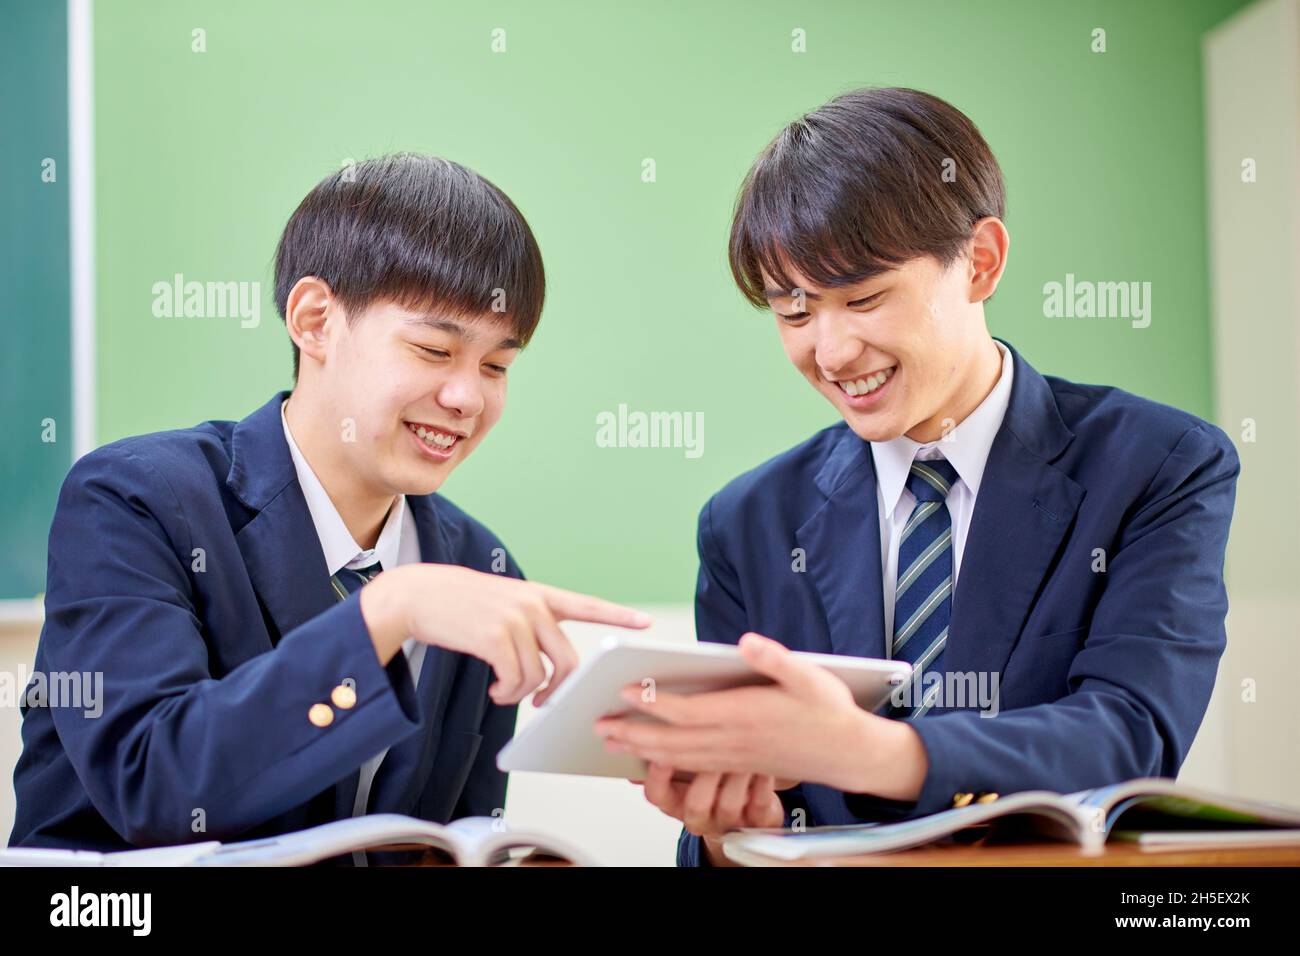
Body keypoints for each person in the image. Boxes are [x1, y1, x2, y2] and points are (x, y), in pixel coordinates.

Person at [594, 88, 1240, 867]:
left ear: (981, 262)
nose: (830, 354)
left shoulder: (1158, 465)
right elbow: (738, 837)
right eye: (794, 314)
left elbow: (1130, 734)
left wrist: (870, 750)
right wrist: (730, 829)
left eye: (864, 299)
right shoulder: (747, 524)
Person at [10, 154, 649, 854]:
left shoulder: (479, 566)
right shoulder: (135, 500)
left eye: (497, 367)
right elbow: (154, 786)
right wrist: (387, 613)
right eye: (435, 349)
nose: (469, 397)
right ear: (315, 321)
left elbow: (457, 837)